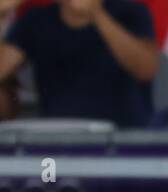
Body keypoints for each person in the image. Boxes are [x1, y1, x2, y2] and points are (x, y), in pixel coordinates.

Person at [0, 0, 159, 128]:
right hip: (59, 142)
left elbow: (147, 70)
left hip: (125, 142)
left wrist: (97, 15)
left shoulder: (131, 12)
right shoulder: (35, 20)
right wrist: (2, 13)